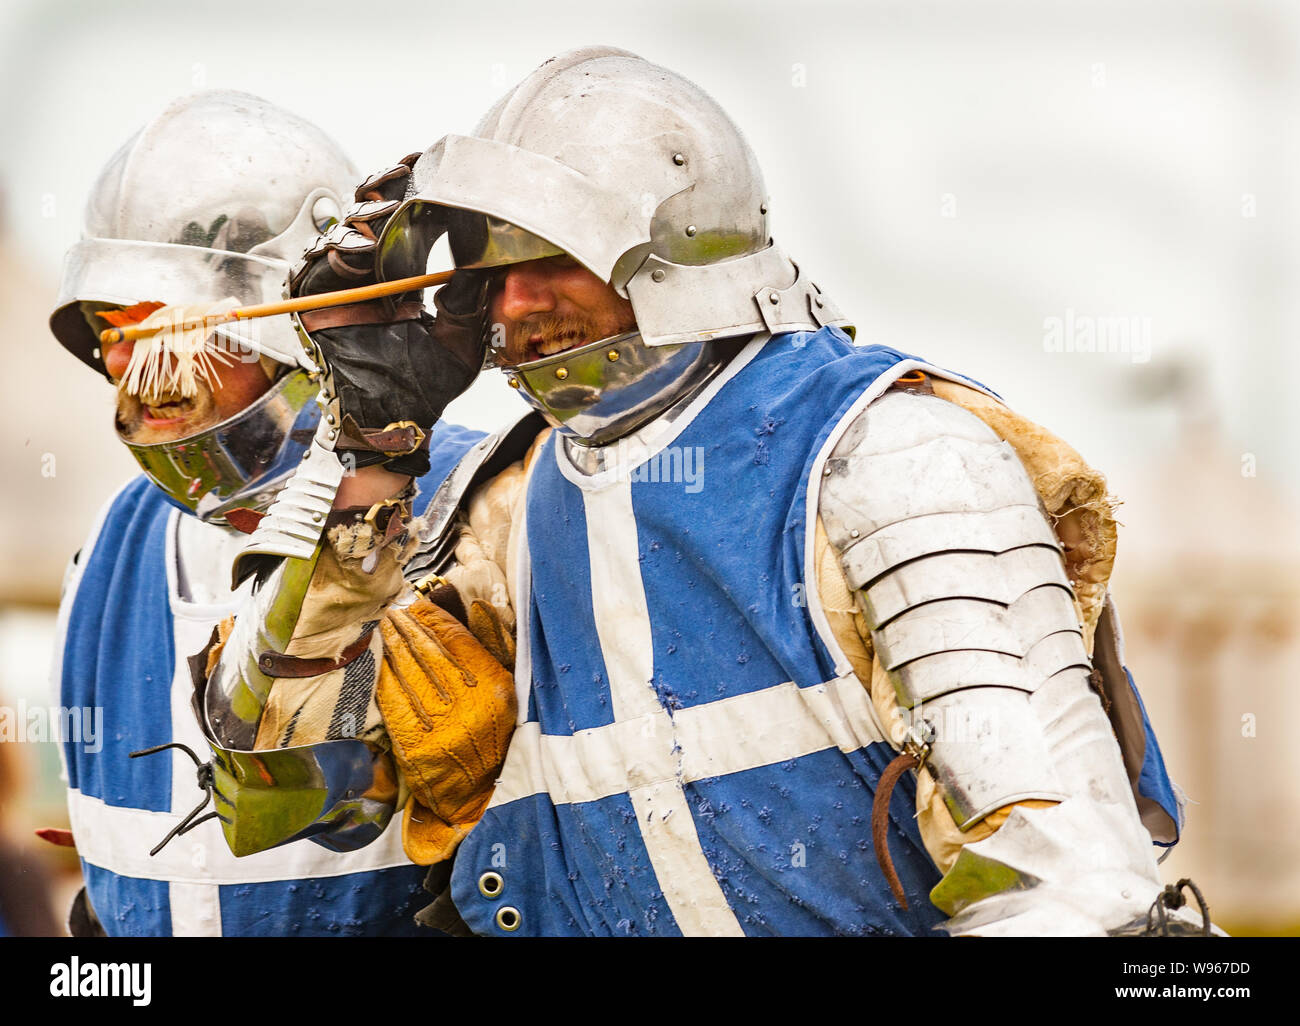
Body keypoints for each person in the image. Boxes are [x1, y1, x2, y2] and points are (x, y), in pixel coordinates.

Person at [196, 48, 1212, 936]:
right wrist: (369, 451)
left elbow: (1066, 887)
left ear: (670, 250)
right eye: (491, 273)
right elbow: (283, 790)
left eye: (549, 257)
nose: (512, 305)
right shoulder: (508, 506)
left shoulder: (888, 458)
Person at [47, 90, 484, 936]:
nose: (132, 359)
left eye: (161, 319)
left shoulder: (475, 492)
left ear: (285, 329)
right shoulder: (112, 541)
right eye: (110, 327)